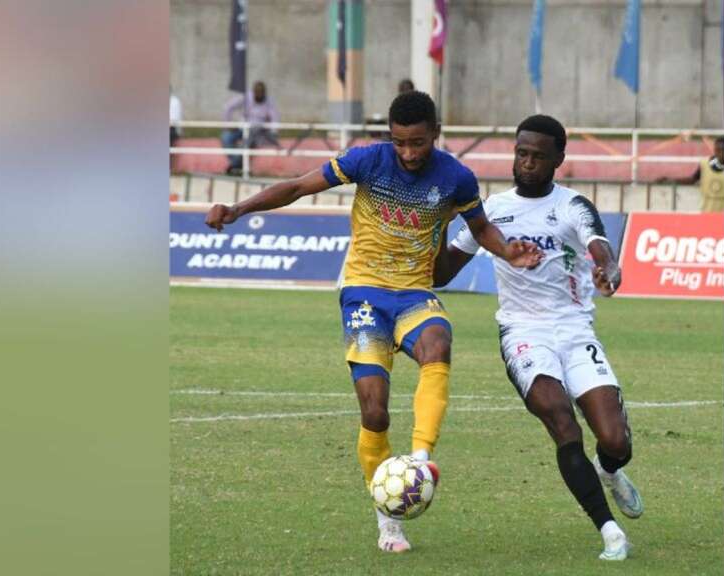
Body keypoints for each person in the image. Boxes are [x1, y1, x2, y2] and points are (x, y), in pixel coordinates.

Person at [204, 91, 541, 554]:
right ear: (390, 137)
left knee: (438, 341)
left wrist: (508, 250)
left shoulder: (456, 178)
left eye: (418, 143)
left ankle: (420, 461)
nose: (408, 153)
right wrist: (239, 210)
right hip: (363, 292)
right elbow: (300, 186)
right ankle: (388, 518)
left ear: (435, 134)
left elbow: (481, 228)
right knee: (374, 412)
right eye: (399, 142)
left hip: (415, 293)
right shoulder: (366, 162)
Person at [433, 115, 643, 561]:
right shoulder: (488, 210)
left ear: (558, 160)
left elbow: (599, 245)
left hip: (573, 327)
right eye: (521, 153)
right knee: (562, 423)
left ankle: (609, 471)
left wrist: (610, 268)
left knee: (615, 440)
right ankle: (609, 531)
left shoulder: (572, 205)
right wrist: (435, 227)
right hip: (522, 331)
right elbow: (442, 272)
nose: (527, 164)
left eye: (538, 156)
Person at [220, 80, 281, 175]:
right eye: (257, 92)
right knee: (226, 138)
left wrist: (274, 131)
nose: (259, 94)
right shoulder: (246, 97)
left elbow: (275, 117)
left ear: (265, 92)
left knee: (246, 145)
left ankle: (234, 167)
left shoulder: (269, 101)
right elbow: (228, 107)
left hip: (258, 130)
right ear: (253, 91)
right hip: (242, 127)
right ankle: (237, 166)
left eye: (262, 92)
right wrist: (228, 124)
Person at [671, 135, 724, 212]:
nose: (721, 154)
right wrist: (671, 179)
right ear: (714, 150)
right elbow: (692, 179)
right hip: (707, 212)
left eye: (723, 150)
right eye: (718, 150)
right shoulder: (705, 164)